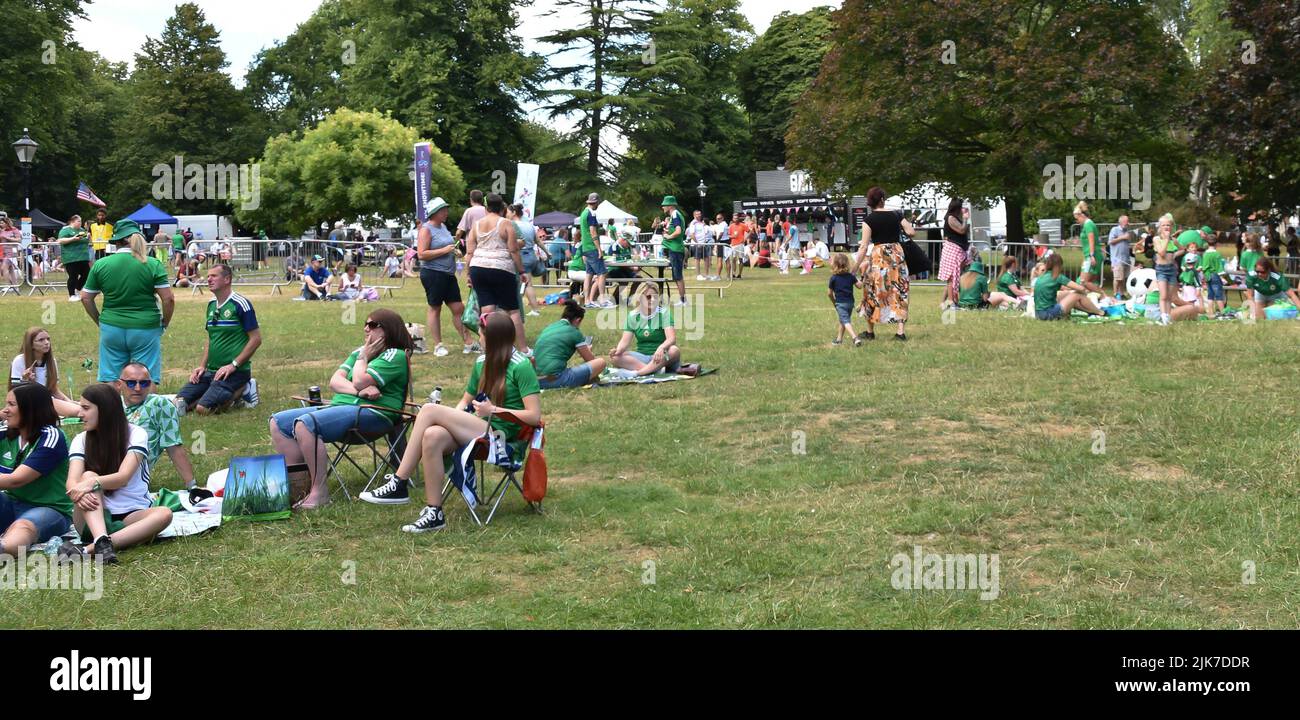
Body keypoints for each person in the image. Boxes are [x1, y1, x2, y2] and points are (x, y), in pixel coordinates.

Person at [359, 312, 541, 533]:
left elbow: (534, 416)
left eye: (480, 334)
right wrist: (449, 421)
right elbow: (464, 402)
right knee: (433, 435)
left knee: (428, 409)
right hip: (479, 429)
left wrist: (494, 410)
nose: (478, 338)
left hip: (504, 439)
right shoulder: (481, 362)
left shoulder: (521, 366)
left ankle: (399, 482)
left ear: (491, 337)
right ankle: (434, 512)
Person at [269, 309, 413, 509]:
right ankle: (298, 487)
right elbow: (335, 382)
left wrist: (363, 362)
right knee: (279, 422)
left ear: (387, 329)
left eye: (372, 325)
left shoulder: (393, 355)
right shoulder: (360, 351)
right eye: (365, 323)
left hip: (374, 414)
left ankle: (319, 493)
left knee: (306, 424)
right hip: (343, 408)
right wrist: (358, 391)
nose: (365, 328)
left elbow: (361, 378)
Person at [57, 383, 172, 563]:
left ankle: (90, 549)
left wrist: (91, 483)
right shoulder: (81, 440)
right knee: (88, 476)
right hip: (92, 514)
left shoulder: (136, 433)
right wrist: (80, 492)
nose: (80, 414)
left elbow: (123, 478)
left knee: (164, 514)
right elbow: (71, 482)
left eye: (86, 408)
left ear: (105, 410)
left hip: (132, 515)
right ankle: (101, 537)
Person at [80, 220, 175, 384]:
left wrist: (100, 320)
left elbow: (85, 298)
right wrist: (164, 323)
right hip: (146, 327)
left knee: (111, 377)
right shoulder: (152, 264)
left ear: (116, 241)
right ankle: (143, 410)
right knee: (147, 377)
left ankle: (112, 409)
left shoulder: (101, 264)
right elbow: (168, 299)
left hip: (111, 326)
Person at [176, 264, 262, 415]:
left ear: (227, 279)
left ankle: (244, 389)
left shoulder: (240, 304)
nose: (209, 279)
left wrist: (233, 365)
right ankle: (208, 394)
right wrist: (202, 366)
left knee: (202, 409)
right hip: (211, 371)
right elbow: (211, 337)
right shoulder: (211, 305)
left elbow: (256, 339)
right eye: (208, 276)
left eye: (214, 276)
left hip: (235, 372)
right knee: (178, 404)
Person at [0, 383, 73, 554]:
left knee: (23, 526)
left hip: (50, 510)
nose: (5, 410)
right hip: (10, 503)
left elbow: (16, 479)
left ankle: (4, 549)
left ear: (30, 408)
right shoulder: (7, 433)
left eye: (11, 405)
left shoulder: (52, 437)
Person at [465, 193, 529, 353]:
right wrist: (521, 271)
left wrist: (468, 274)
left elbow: (470, 252)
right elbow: (514, 250)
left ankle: (487, 350)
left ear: (486, 208)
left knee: (486, 312)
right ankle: (523, 349)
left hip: (478, 268)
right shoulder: (506, 223)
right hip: (501, 268)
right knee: (512, 310)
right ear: (502, 208)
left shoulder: (477, 225)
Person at [117, 362, 195, 488]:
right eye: (131, 383)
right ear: (119, 384)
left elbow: (173, 446)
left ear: (150, 384)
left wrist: (192, 485)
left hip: (131, 478)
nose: (137, 388)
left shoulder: (159, 405)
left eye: (144, 383)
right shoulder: (111, 404)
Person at [417, 197, 476, 357]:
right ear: (434, 213)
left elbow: (448, 246)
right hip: (433, 274)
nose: (446, 212)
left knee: (458, 309)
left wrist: (454, 251)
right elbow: (421, 254)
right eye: (443, 210)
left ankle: (469, 343)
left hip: (448, 274)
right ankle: (438, 345)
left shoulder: (443, 227)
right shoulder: (426, 229)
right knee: (435, 308)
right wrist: (444, 250)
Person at [853, 188, 912, 341]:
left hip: (879, 256)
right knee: (900, 290)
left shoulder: (868, 220)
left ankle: (870, 331)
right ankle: (900, 332)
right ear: (882, 199)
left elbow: (864, 247)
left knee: (872, 290)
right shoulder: (896, 214)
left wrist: (853, 269)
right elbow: (911, 232)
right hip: (896, 254)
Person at [610, 282, 682, 375]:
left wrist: (661, 348)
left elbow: (671, 339)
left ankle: (638, 373)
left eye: (655, 297)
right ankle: (654, 370)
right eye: (648, 297)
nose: (652, 300)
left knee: (674, 350)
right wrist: (617, 350)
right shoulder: (633, 316)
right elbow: (624, 341)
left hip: (662, 355)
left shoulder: (664, 313)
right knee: (616, 357)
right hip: (642, 357)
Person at [533, 300, 607, 389]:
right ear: (578, 320)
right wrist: (588, 350)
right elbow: (590, 360)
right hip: (555, 379)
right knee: (601, 362)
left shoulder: (549, 327)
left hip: (535, 379)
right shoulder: (575, 332)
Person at [1032, 253, 1103, 321]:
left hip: (1038, 314)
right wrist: (1083, 286)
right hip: (1049, 314)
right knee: (1077, 295)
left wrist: (1073, 290)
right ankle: (1100, 312)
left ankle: (1091, 311)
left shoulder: (1042, 277)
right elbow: (1081, 288)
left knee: (1066, 295)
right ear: (1058, 265)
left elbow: (1065, 288)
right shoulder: (1057, 276)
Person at [11, 327, 69, 401]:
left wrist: (71, 402)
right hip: (28, 402)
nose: (46, 342)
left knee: (78, 408)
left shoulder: (51, 361)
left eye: (48, 339)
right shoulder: (19, 361)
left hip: (49, 401)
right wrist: (25, 380)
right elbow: (15, 392)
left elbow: (54, 391)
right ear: (31, 344)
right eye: (41, 340)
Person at [509, 203, 547, 316]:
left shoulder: (512, 225)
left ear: (514, 213)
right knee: (526, 284)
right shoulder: (529, 225)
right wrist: (547, 252)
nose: (507, 214)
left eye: (508, 211)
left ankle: (534, 309)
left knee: (525, 284)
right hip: (531, 255)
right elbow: (538, 241)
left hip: (521, 256)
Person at [577, 193, 612, 308]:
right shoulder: (591, 214)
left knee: (589, 275)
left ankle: (587, 301)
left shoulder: (583, 213)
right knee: (602, 273)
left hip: (585, 247)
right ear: (596, 202)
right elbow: (593, 232)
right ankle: (602, 300)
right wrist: (599, 249)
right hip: (592, 248)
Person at [937, 199, 971, 308]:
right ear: (957, 207)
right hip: (953, 249)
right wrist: (966, 219)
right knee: (952, 278)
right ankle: (951, 303)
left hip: (959, 250)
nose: (962, 210)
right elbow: (961, 230)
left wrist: (966, 220)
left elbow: (964, 230)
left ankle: (944, 302)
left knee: (953, 278)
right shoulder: (951, 218)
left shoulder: (955, 218)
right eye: (961, 207)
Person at [1151, 215, 1182, 326]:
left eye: (1168, 225)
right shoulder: (1157, 239)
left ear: (1172, 226)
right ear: (1160, 226)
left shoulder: (1173, 240)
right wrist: (1166, 239)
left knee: (1169, 296)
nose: (1166, 227)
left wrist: (1174, 255)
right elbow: (1162, 253)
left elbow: (1182, 249)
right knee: (1163, 295)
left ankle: (1168, 317)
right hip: (1161, 270)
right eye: (1164, 225)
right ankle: (1163, 316)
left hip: (1171, 269)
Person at [828, 253, 862, 347]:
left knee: (846, 321)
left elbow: (829, 293)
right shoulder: (850, 276)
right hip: (850, 303)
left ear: (834, 264)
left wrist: (834, 302)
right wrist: (862, 279)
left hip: (840, 303)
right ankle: (839, 339)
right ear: (847, 264)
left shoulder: (833, 278)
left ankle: (855, 337)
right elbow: (859, 286)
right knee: (843, 320)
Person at [661, 196, 688, 305]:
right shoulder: (675, 215)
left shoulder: (675, 214)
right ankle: (682, 300)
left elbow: (678, 231)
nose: (663, 207)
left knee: (678, 276)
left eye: (664, 205)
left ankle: (683, 300)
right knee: (677, 276)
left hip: (676, 249)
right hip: (675, 249)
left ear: (670, 206)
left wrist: (668, 236)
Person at [57, 214, 91, 302]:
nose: (81, 223)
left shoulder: (82, 230)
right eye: (78, 221)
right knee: (73, 276)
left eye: (81, 221)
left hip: (83, 257)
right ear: (72, 221)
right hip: (71, 258)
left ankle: (77, 289)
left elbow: (85, 242)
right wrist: (73, 239)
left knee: (87, 274)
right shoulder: (65, 230)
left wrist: (88, 238)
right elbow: (60, 241)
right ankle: (71, 295)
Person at [1074, 201, 1105, 295]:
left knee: (1083, 282)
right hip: (1091, 255)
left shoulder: (1088, 224)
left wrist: (1091, 256)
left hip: (1092, 255)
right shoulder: (1088, 224)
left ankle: (1104, 295)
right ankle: (1096, 298)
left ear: (1081, 215)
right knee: (1088, 282)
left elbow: (1091, 240)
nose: (1077, 221)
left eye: (1077, 219)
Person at [1199, 233, 1227, 315]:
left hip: (1207, 276)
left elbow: (1203, 267)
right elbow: (1219, 267)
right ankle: (1223, 313)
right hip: (1215, 275)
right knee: (1219, 296)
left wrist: (1204, 276)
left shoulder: (1205, 254)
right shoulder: (1217, 254)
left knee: (1210, 295)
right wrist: (1222, 277)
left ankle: (1210, 313)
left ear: (1207, 243)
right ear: (1216, 244)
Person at [1108, 215, 1134, 298]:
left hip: (1125, 258)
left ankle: (1122, 294)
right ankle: (1115, 294)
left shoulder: (1127, 231)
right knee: (1117, 278)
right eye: (1126, 221)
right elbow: (1110, 241)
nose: (1128, 223)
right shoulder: (1114, 230)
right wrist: (1123, 237)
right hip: (1117, 259)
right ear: (1121, 222)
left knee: (1122, 278)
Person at [727, 213, 748, 279]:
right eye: (734, 218)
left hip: (740, 244)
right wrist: (732, 236)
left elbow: (749, 231)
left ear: (739, 218)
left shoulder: (742, 225)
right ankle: (733, 273)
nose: (735, 219)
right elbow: (728, 235)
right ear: (732, 219)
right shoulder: (731, 226)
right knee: (733, 259)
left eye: (736, 218)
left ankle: (739, 274)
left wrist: (745, 238)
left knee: (740, 259)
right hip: (733, 245)